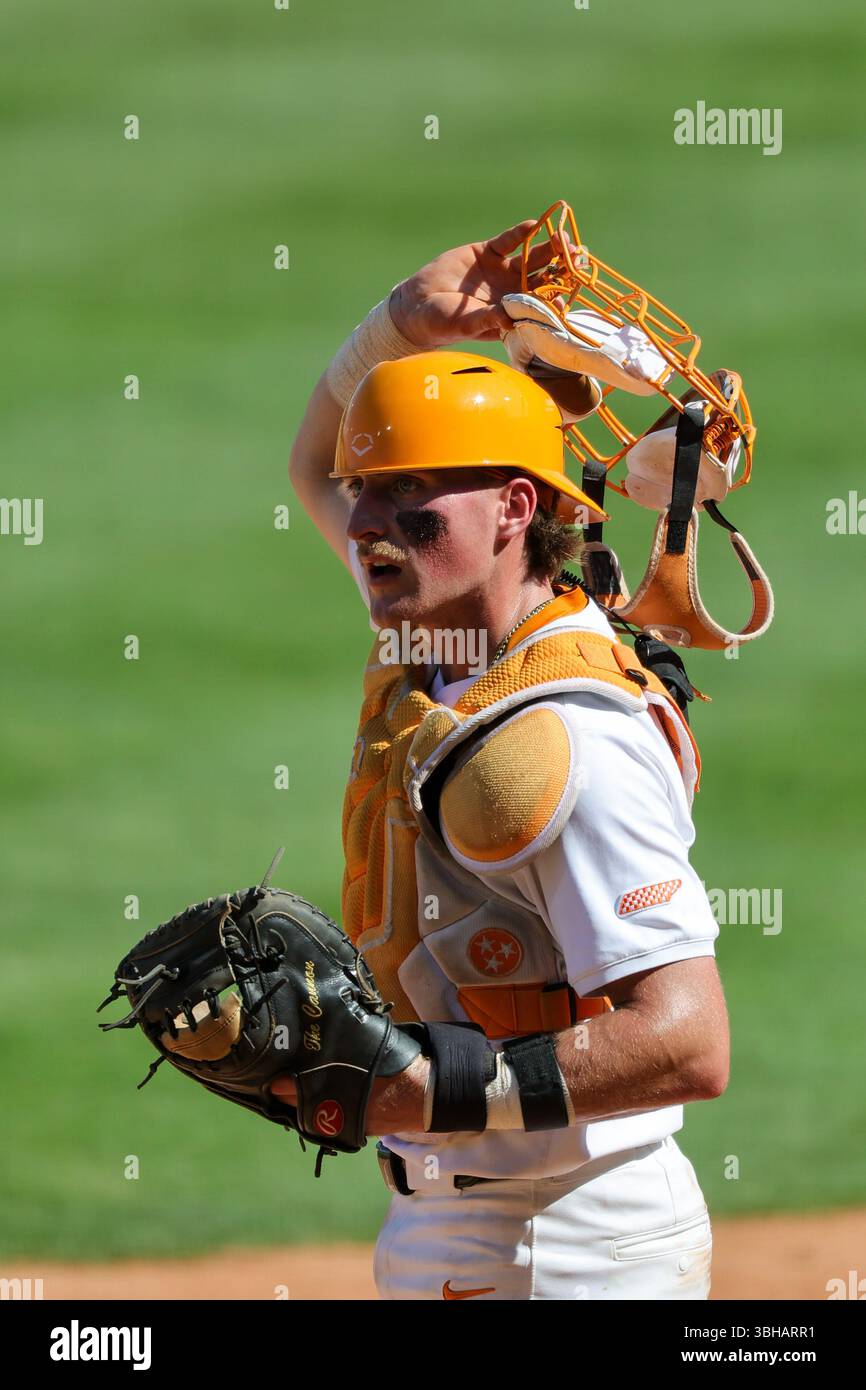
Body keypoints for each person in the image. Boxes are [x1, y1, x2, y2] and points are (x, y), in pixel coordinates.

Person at [280, 218, 728, 1301]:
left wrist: (414, 1090)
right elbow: (311, 461)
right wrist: (396, 324)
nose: (368, 525)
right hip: (463, 1223)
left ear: (513, 508)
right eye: (368, 491)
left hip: (568, 1240)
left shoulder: (565, 734)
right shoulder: (436, 638)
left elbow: (684, 1041)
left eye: (407, 498)